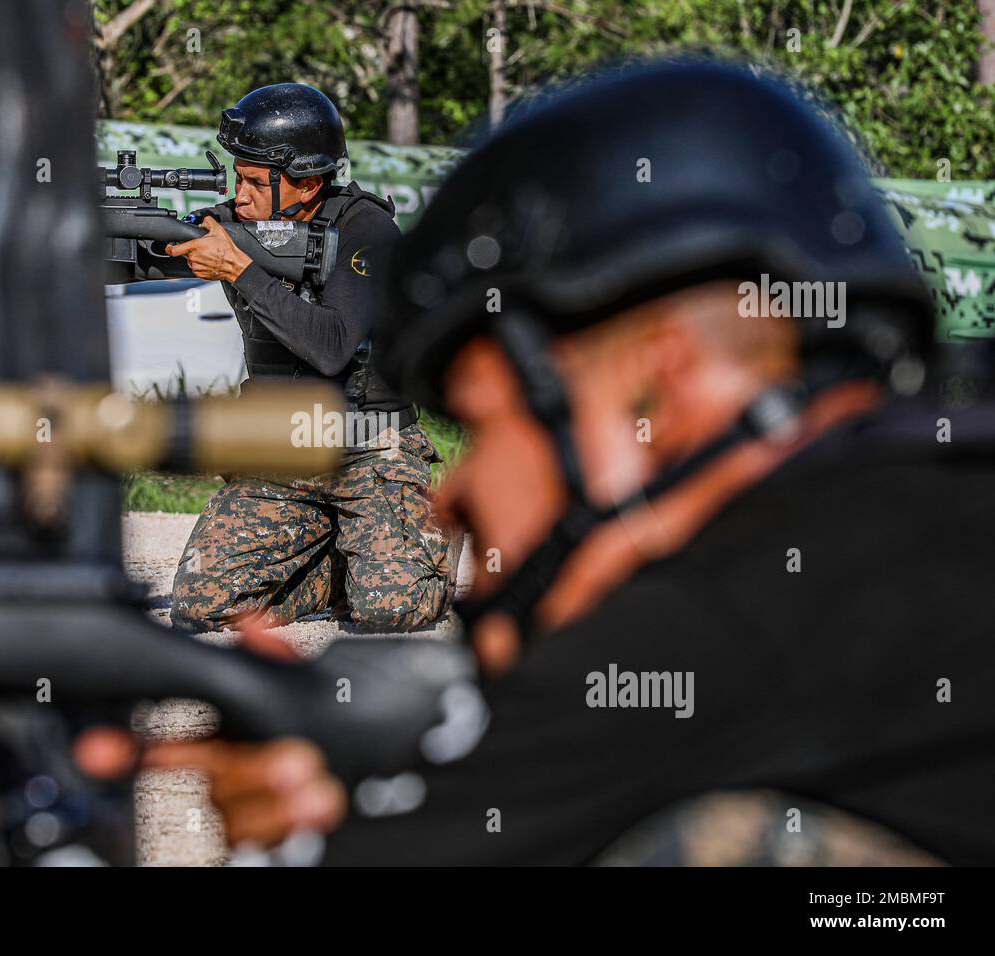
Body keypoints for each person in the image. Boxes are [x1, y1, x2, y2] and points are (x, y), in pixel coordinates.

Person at [139, 60, 995, 864]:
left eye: (484, 423)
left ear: (662, 392)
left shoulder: (711, 625)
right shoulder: (927, 492)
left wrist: (311, 816)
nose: (456, 493)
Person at [165, 82, 457, 634]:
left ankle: (410, 543)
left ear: (308, 181)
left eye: (254, 182)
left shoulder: (366, 229)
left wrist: (240, 271)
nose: (240, 194)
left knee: (391, 609)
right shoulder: (232, 227)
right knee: (202, 605)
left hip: (370, 447)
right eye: (236, 177)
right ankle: (336, 560)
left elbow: (332, 347)